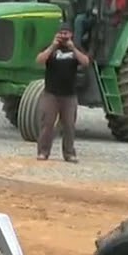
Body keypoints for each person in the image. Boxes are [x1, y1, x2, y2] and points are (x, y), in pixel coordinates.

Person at [33, 25, 91, 163]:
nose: (63, 36)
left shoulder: (75, 48)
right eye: (61, 33)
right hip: (51, 93)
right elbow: (39, 60)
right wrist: (53, 46)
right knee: (47, 123)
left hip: (69, 94)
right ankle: (43, 152)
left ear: (71, 34)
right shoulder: (51, 47)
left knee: (69, 125)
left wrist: (73, 48)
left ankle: (69, 153)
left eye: (66, 33)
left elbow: (86, 62)